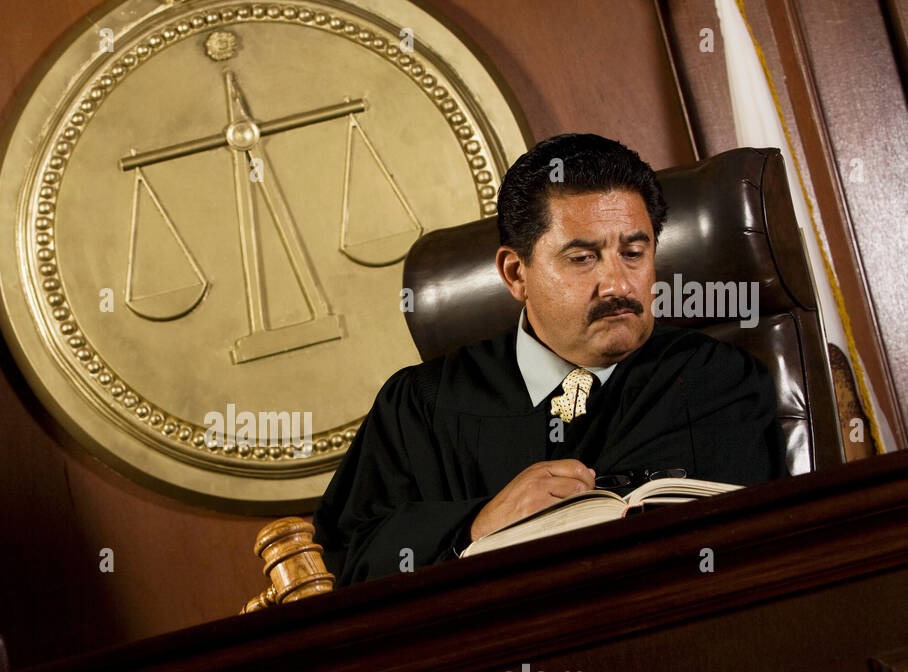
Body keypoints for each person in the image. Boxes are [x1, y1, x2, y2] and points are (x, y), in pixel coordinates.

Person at [313, 133, 787, 587]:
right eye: (582, 258)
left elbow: (736, 555)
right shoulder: (418, 406)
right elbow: (343, 563)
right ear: (516, 273)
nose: (619, 285)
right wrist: (476, 527)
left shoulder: (713, 380)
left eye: (634, 252)